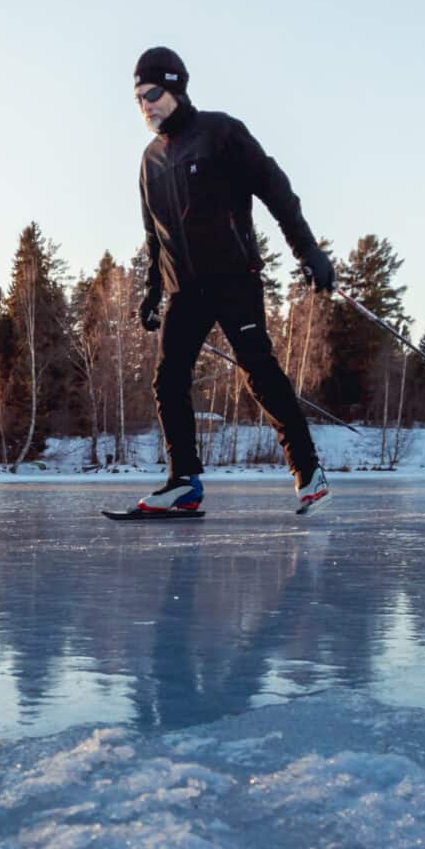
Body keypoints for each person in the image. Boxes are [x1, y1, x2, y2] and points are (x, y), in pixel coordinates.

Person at [130, 46, 332, 515]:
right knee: (168, 380)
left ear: (177, 86)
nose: (146, 105)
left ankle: (308, 471)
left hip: (233, 279)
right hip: (184, 290)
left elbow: (275, 188)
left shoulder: (220, 133)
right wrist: (152, 291)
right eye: (139, 98)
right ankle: (184, 483)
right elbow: (153, 234)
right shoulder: (150, 161)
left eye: (153, 93)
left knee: (258, 371)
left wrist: (307, 250)